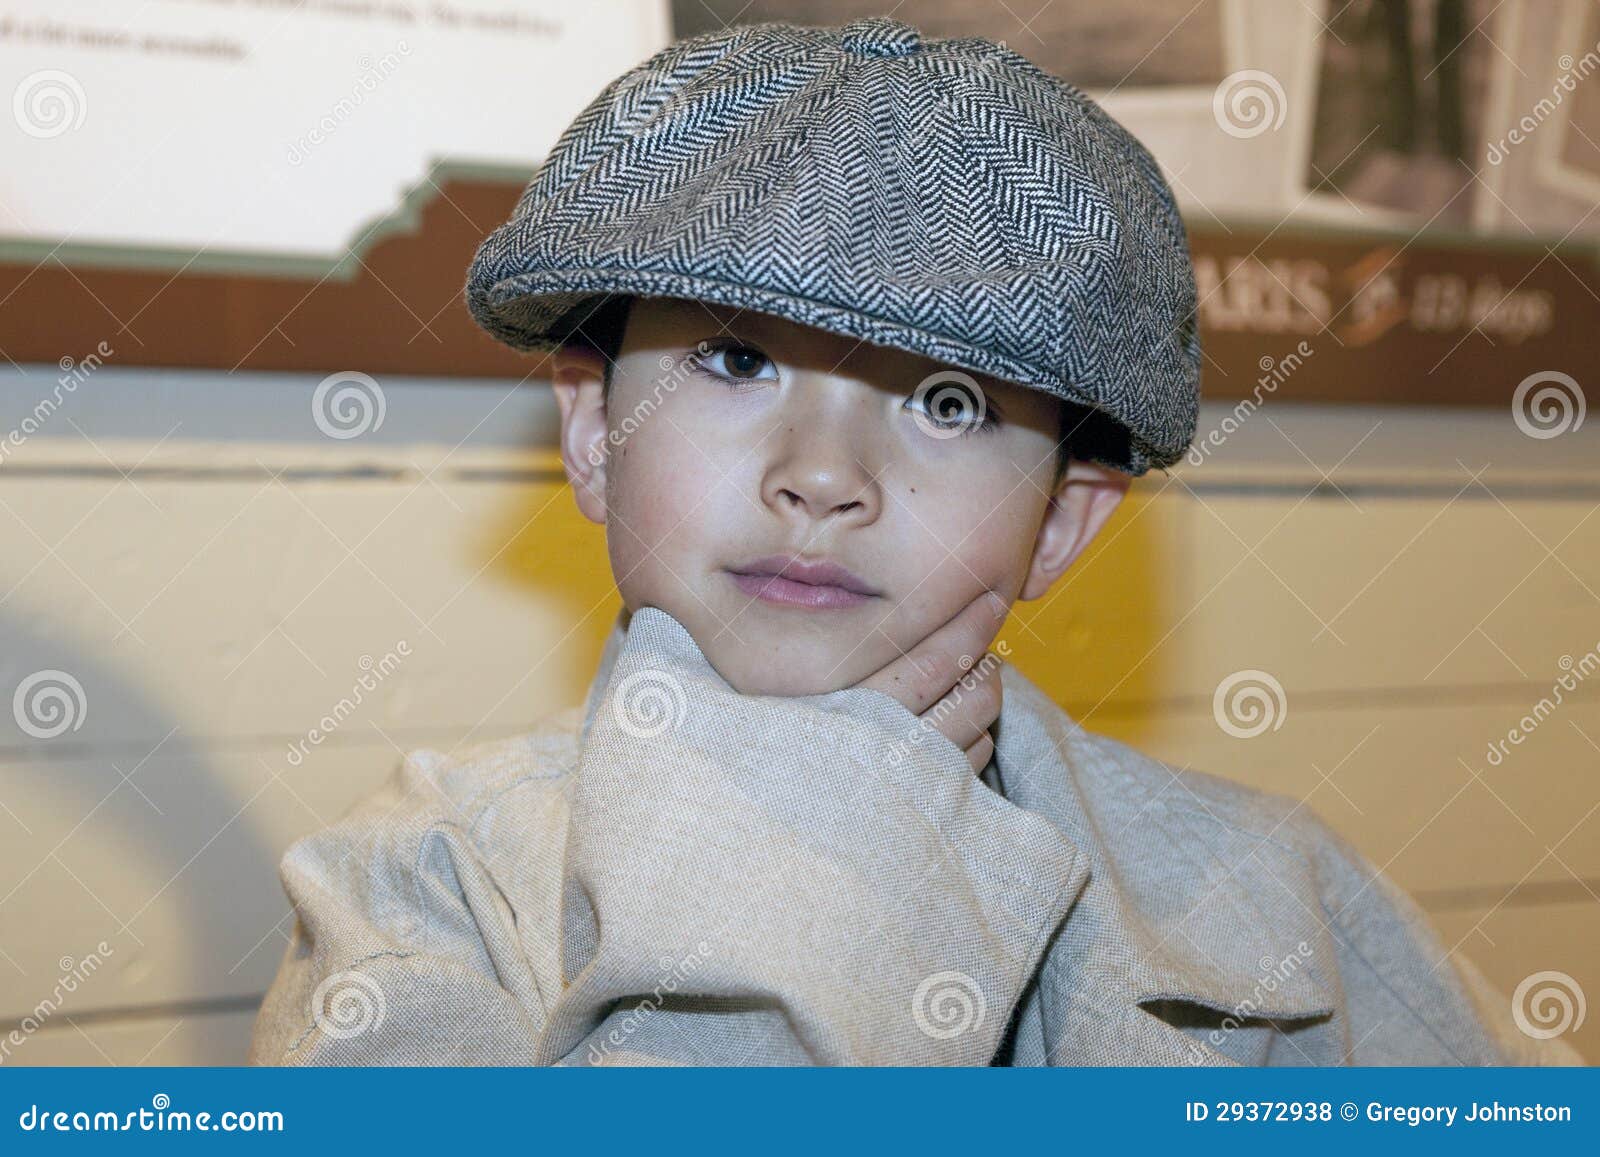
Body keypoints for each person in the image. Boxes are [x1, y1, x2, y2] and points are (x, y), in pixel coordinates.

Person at [248, 17, 1580, 1066]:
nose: (824, 477)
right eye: (733, 356)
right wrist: (809, 873)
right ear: (596, 431)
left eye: (950, 403)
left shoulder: (1282, 913)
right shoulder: (421, 897)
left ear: (1062, 520)